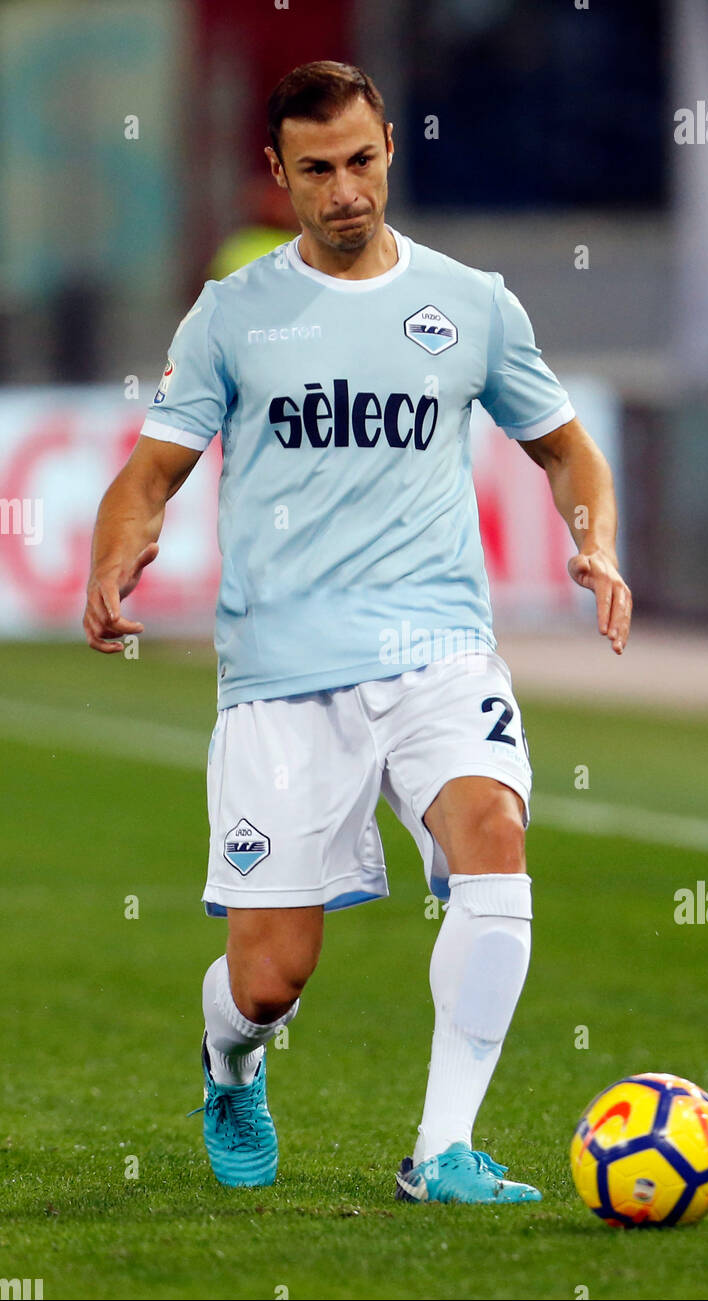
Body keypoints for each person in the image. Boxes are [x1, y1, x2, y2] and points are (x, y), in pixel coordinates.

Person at [83, 60, 631, 1205]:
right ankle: (230, 1063)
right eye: (317, 170)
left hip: (439, 647)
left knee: (493, 830)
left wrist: (595, 541)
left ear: (390, 144)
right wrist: (114, 549)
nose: (345, 191)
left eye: (363, 160)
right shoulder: (232, 314)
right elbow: (151, 472)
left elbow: (565, 449)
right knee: (272, 980)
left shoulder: (470, 303)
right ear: (276, 173)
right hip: (283, 677)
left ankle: (439, 1153)